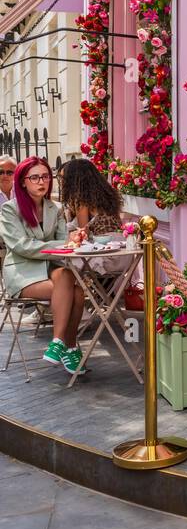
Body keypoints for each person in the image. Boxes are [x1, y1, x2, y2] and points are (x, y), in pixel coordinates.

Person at [0, 157, 86, 375]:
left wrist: (75, 241)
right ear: (23, 182)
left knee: (72, 283)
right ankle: (70, 346)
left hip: (51, 270)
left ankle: (59, 343)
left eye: (46, 176)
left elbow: (63, 249)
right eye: (35, 177)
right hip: (22, 272)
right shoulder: (10, 210)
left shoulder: (54, 208)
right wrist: (64, 243)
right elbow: (22, 247)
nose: (42, 182)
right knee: (74, 292)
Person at [60, 157, 123, 238]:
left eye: (64, 178)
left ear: (73, 179)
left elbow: (83, 232)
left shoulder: (81, 199)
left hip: (102, 242)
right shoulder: (103, 194)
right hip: (118, 238)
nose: (62, 182)